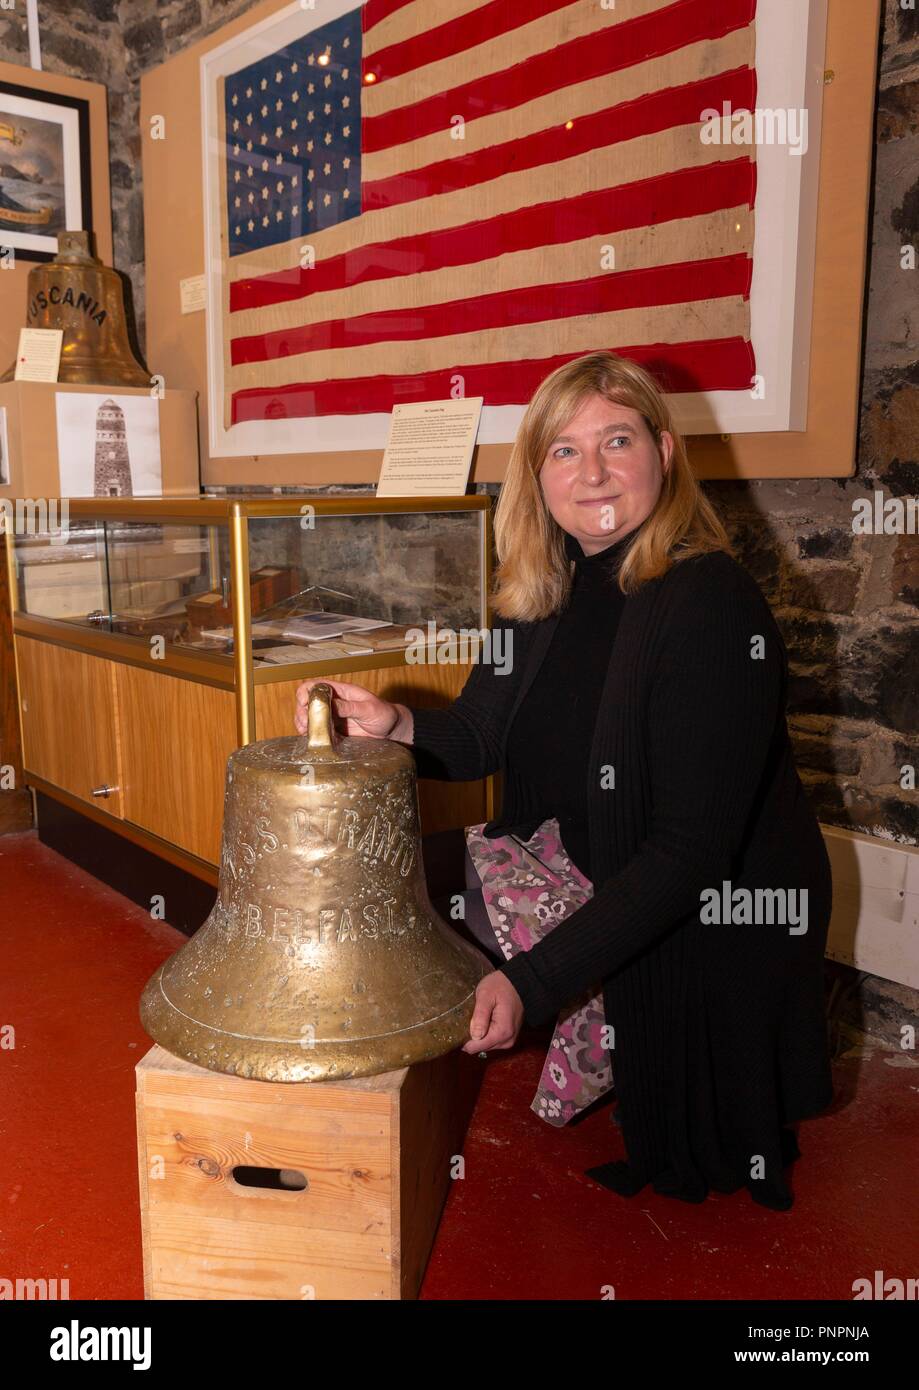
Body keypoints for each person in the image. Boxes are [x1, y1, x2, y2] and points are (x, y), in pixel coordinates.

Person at [294, 350, 834, 1210]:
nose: (592, 472)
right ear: (536, 474)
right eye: (564, 450)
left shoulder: (709, 603)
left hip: (710, 917)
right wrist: (393, 725)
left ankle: (600, 1022)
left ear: (662, 451)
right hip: (584, 864)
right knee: (375, 884)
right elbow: (474, 735)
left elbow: (691, 851)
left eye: (616, 441)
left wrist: (533, 980)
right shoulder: (540, 591)